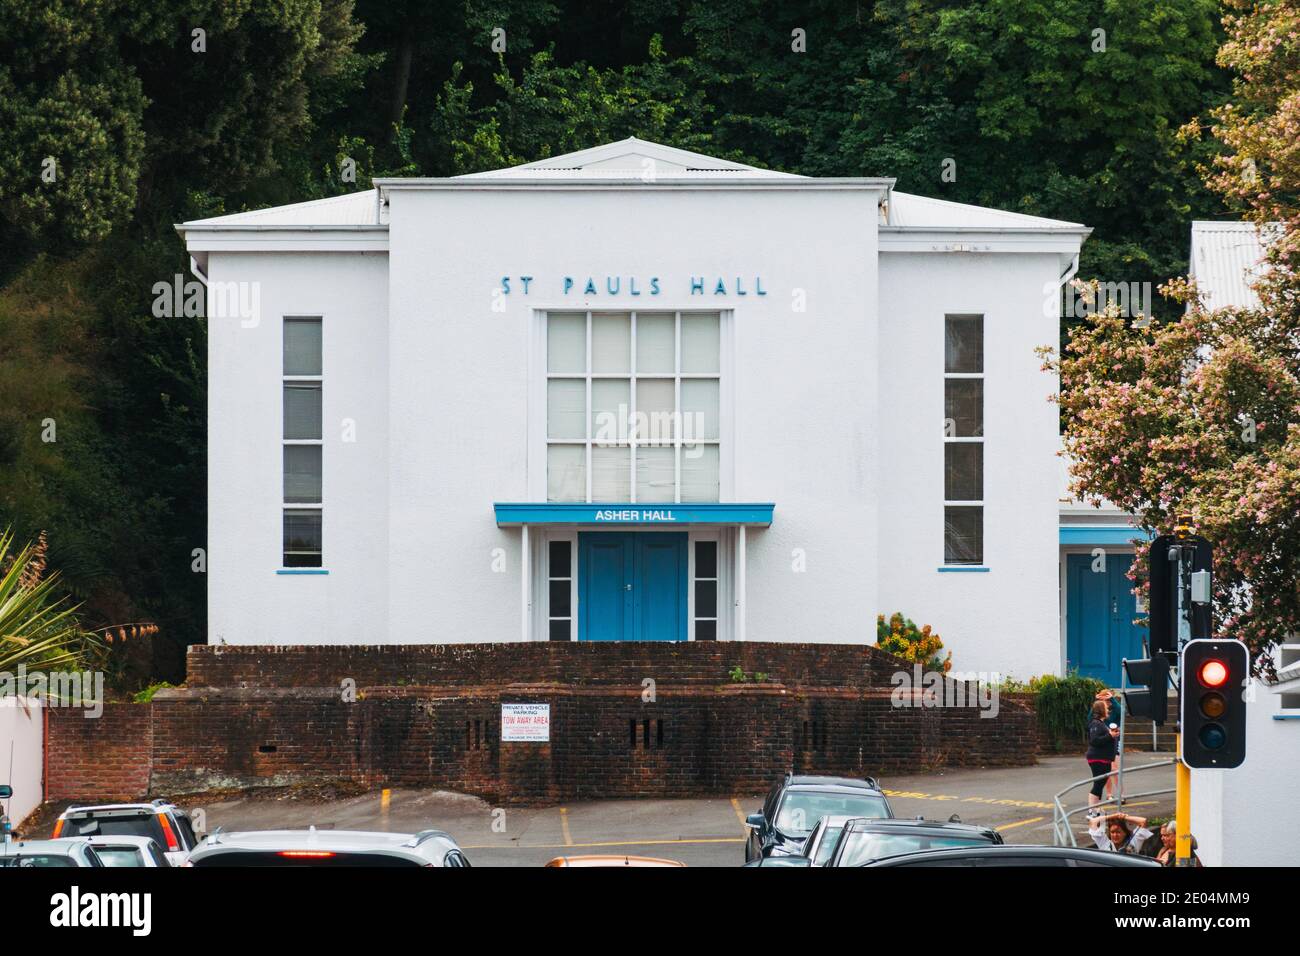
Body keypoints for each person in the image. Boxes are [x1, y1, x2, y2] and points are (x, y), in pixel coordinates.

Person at [1085, 700, 1119, 808]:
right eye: (1106, 707)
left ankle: (1096, 809)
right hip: (1098, 758)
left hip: (1103, 758)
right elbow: (1094, 740)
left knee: (1099, 784)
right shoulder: (1096, 723)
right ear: (1101, 710)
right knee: (1098, 785)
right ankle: (1092, 810)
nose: (1108, 710)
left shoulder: (1100, 723)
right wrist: (1110, 736)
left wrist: (1111, 734)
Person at [1089, 811, 1153, 854]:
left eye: (1118, 832)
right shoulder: (1105, 843)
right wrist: (1113, 816)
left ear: (1125, 833)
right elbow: (1093, 822)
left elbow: (1143, 821)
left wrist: (1125, 817)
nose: (1115, 835)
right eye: (1112, 832)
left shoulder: (1134, 842)